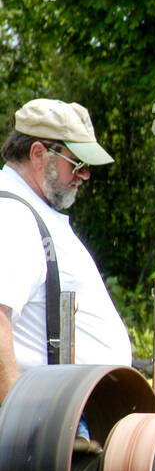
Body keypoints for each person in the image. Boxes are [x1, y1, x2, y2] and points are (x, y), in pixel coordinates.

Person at [0, 99, 131, 403]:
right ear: (38, 154)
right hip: (50, 420)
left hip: (68, 413)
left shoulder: (31, 208)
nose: (85, 175)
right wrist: (20, 422)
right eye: (77, 162)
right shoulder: (12, 215)